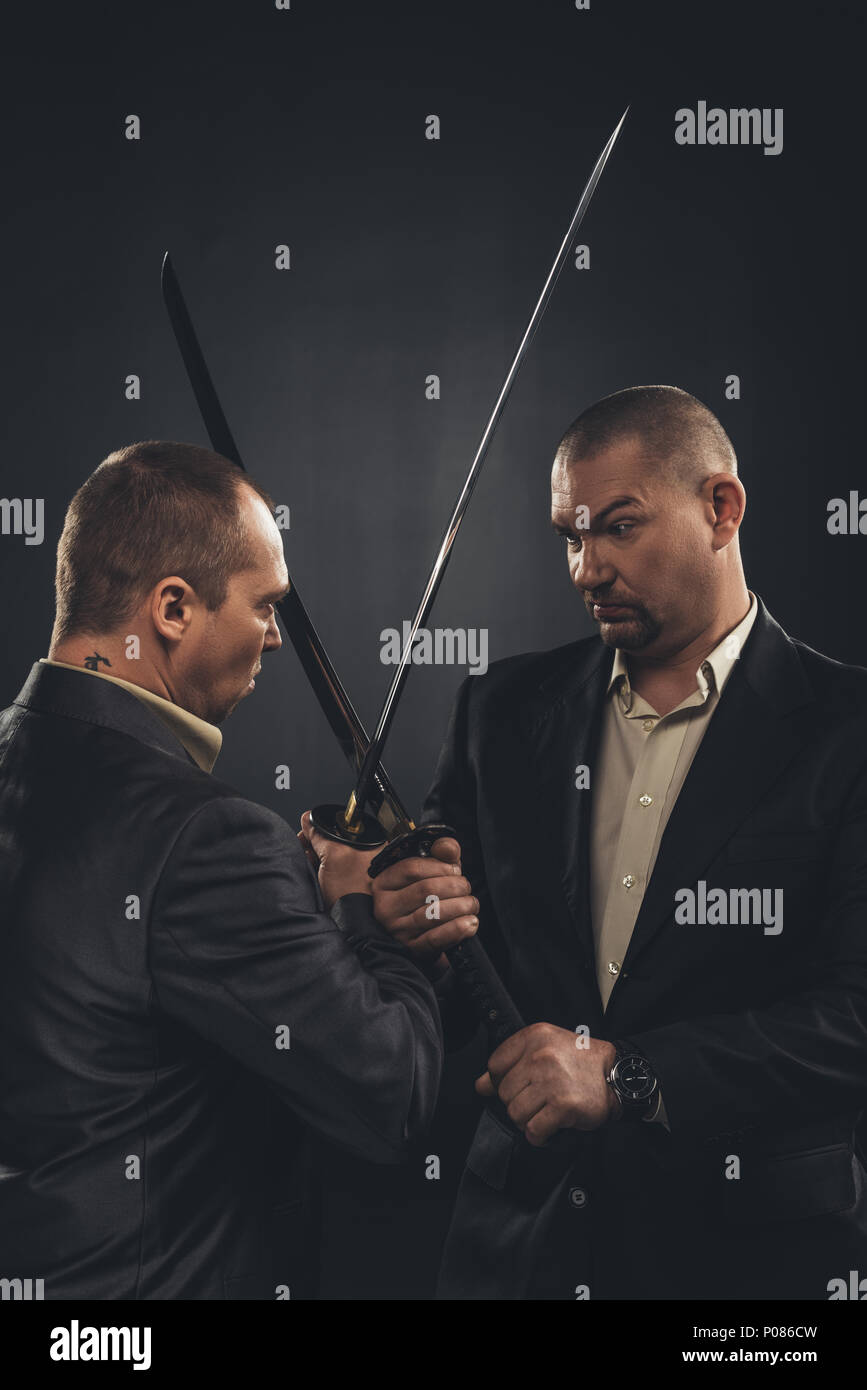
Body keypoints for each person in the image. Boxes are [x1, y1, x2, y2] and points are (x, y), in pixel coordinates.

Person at [371, 386, 867, 1300]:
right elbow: (446, 959)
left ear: (722, 509)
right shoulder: (498, 711)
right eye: (570, 535)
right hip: (516, 1247)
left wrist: (627, 1074)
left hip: (749, 1265)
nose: (585, 569)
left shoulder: (846, 730)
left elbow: (852, 1019)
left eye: (617, 528)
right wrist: (399, 913)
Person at [0, 440, 458, 1301]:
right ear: (173, 607)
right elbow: (389, 1096)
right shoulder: (208, 838)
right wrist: (363, 915)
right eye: (265, 605)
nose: (276, 638)